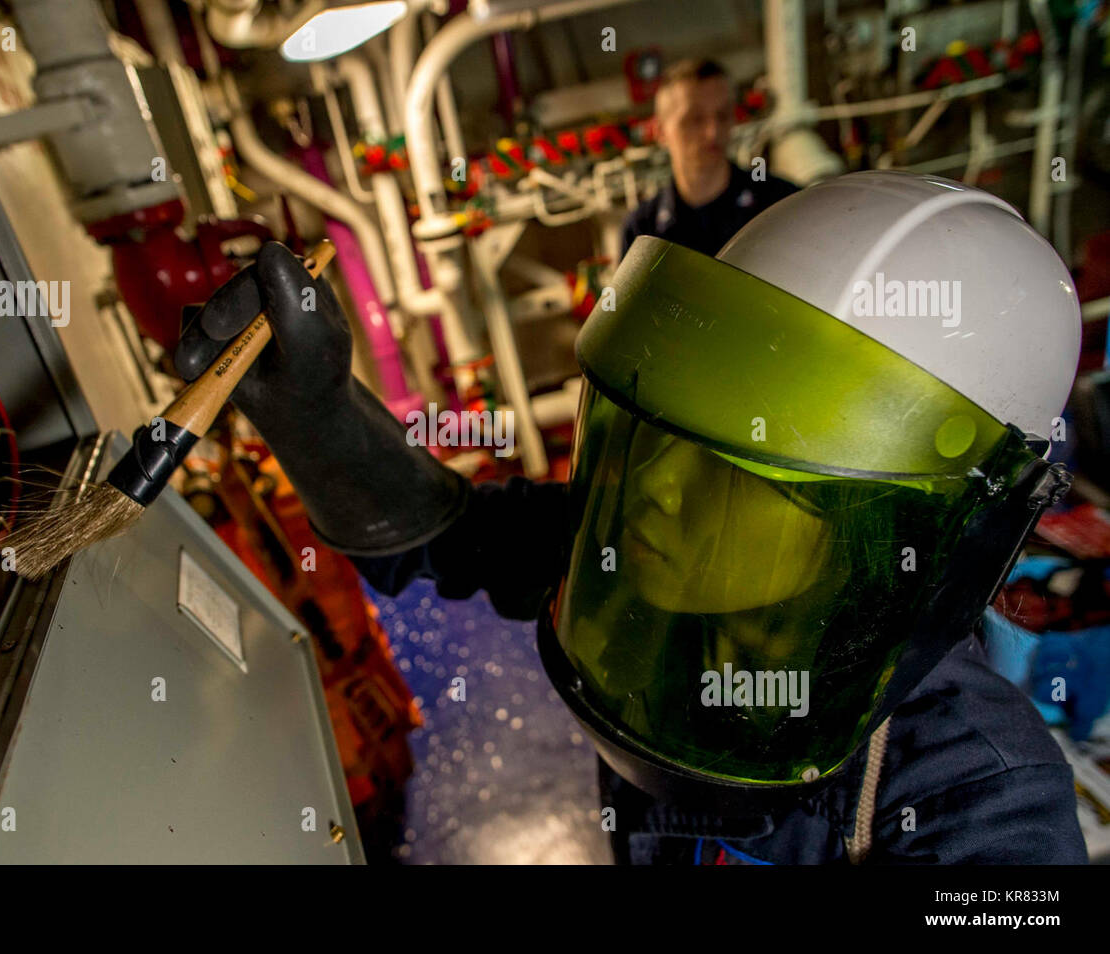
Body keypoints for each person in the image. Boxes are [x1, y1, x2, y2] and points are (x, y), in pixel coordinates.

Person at [176, 171, 1088, 865]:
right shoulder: (647, 563)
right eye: (672, 442)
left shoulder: (982, 799)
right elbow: (430, 531)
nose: (654, 492)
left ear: (890, 540)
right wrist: (313, 414)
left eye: (738, 470)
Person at [620, 58, 798, 259]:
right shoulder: (643, 230)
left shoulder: (780, 203)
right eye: (695, 119)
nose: (713, 132)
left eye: (722, 115)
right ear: (660, 131)